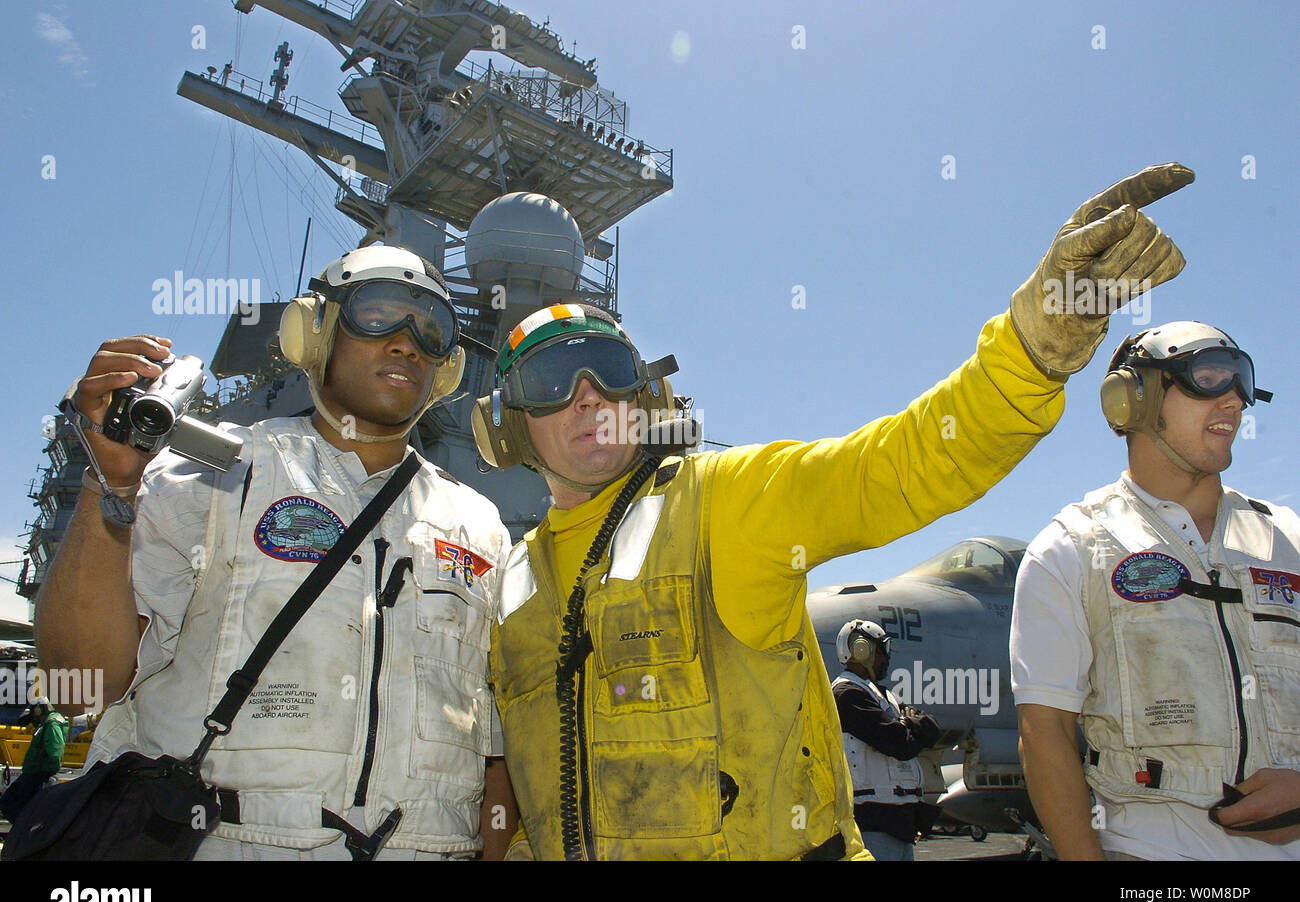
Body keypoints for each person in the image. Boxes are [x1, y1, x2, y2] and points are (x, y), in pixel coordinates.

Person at [473, 164, 1194, 860]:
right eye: (552, 378)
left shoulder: (724, 503)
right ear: (505, 425)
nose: (590, 395)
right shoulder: (505, 589)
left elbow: (901, 462)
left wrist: (1037, 344)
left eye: (612, 372)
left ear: (645, 400)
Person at [35, 244, 513, 860]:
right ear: (314, 334)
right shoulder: (207, 476)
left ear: (446, 368)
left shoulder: (480, 528)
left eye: (431, 329)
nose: (407, 342)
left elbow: (491, 752)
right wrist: (111, 485)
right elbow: (83, 689)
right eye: (378, 314)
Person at [1012, 320, 1300, 860]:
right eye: (1209, 376)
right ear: (1132, 399)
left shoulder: (1289, 540)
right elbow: (1044, 730)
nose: (1234, 401)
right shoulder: (1070, 549)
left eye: (1242, 382)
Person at [831, 620, 941, 861]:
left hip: (897, 823)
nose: (887, 659)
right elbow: (900, 744)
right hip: (873, 822)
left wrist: (906, 724)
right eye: (882, 651)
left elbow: (931, 728)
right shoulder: (847, 694)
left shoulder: (882, 696)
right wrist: (907, 724)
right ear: (862, 650)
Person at [0, 697, 68, 821]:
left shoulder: (51, 724)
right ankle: (23, 830)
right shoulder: (46, 723)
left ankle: (25, 831)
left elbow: (55, 753)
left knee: (14, 804)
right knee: (9, 802)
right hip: (33, 774)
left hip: (38, 775)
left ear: (39, 710)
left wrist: (46, 775)